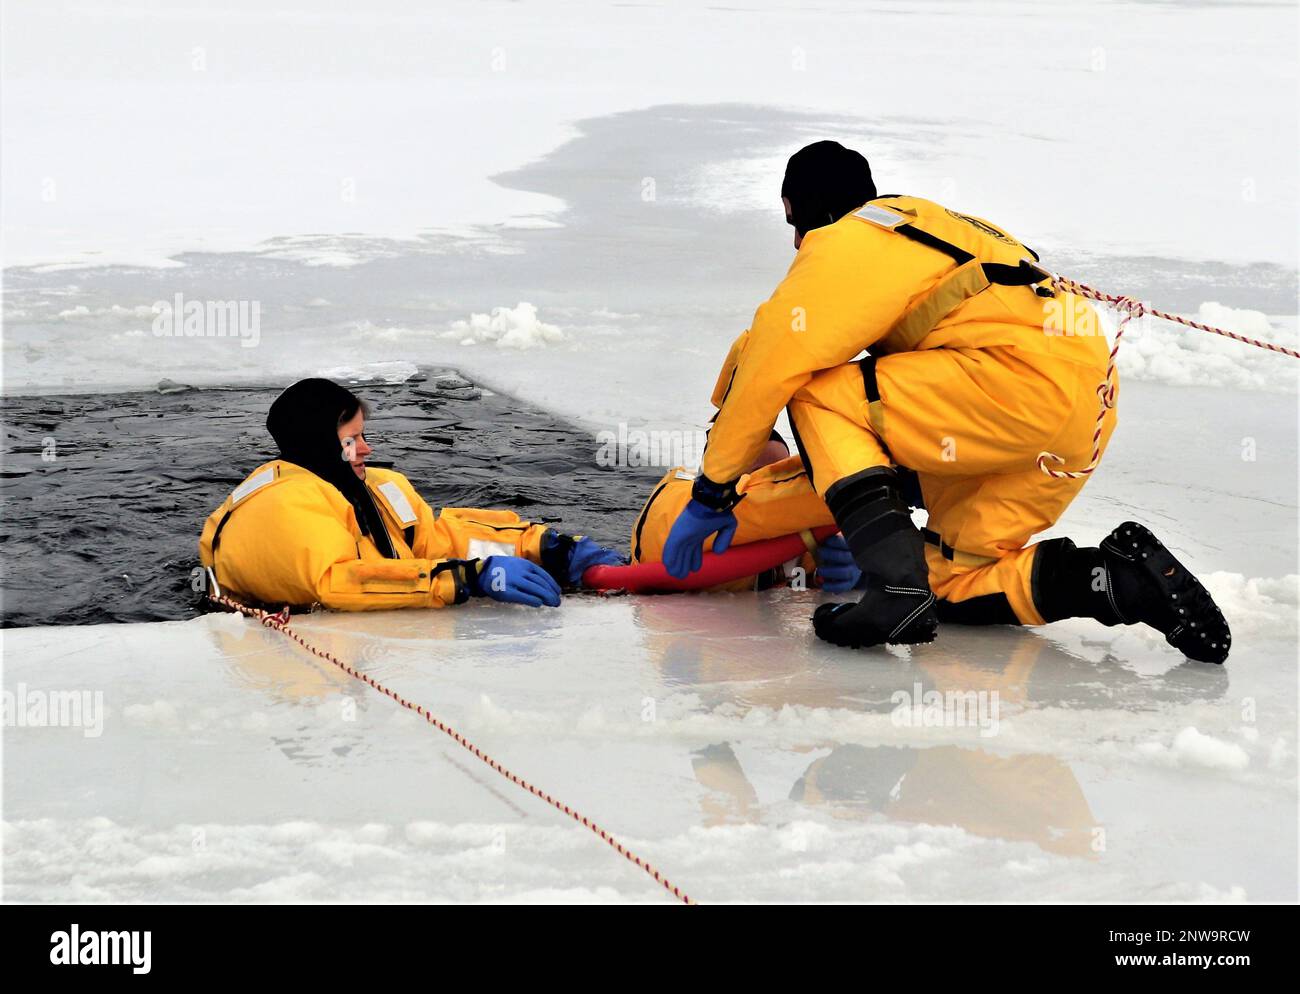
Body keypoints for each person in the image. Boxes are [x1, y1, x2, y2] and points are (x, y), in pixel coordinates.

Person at [659, 141, 1230, 663]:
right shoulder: (934, 225)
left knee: (810, 389)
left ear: (805, 208)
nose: (794, 243)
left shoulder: (847, 241)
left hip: (1009, 384)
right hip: (1083, 412)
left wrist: (711, 494)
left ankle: (894, 583)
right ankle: (1113, 581)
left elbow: (772, 364)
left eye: (793, 223)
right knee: (952, 583)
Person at [198, 378, 622, 611]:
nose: (367, 449)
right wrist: (466, 578)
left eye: (364, 435)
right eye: (352, 439)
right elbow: (338, 583)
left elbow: (435, 540)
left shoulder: (377, 486)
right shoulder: (286, 509)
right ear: (317, 444)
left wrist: (546, 547)